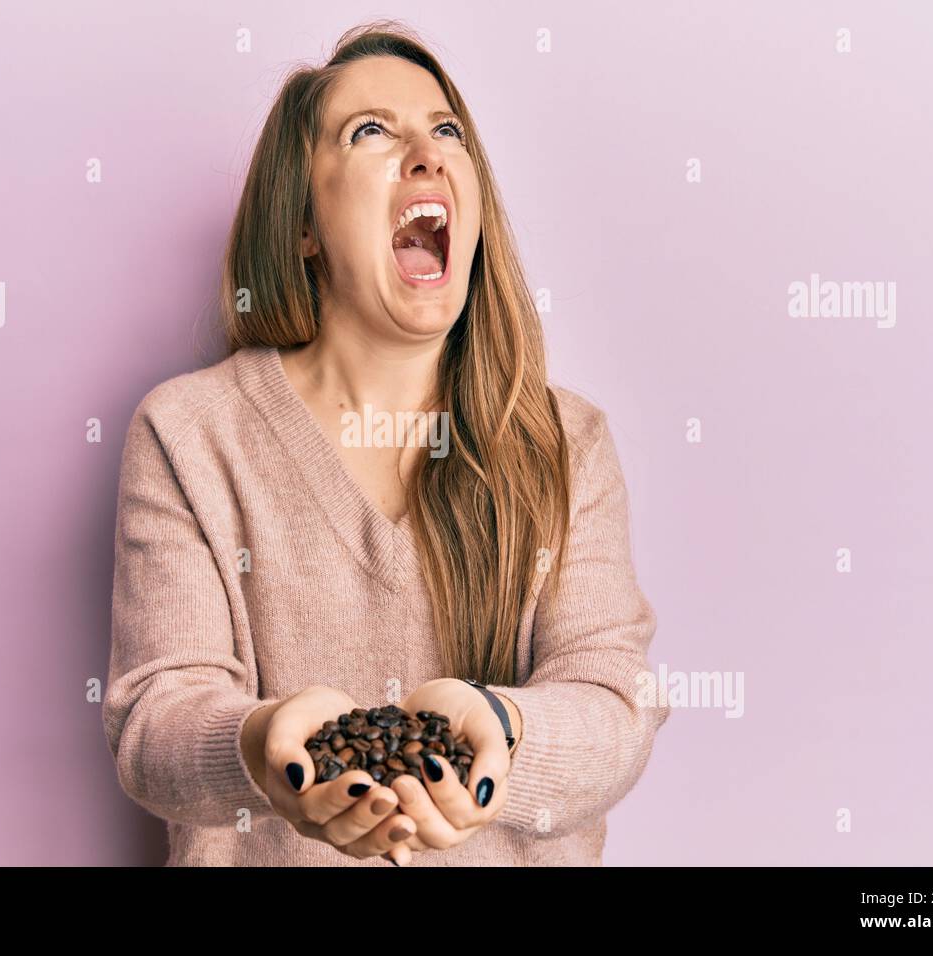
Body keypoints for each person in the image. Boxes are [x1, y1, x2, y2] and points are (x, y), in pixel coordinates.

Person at [103, 20, 670, 867]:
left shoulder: (567, 443)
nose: (427, 153)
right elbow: (155, 721)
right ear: (301, 223)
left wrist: (506, 729)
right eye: (372, 131)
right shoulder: (189, 434)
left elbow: (615, 704)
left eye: (447, 130)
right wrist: (262, 745)